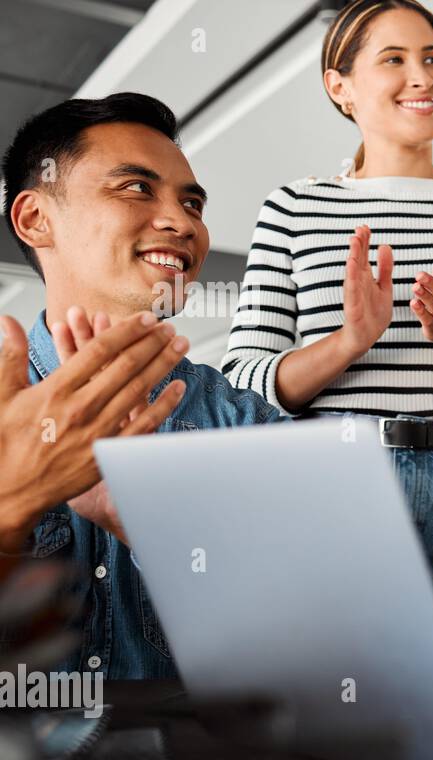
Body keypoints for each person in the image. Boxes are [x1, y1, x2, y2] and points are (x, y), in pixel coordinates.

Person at [221, 0, 433, 628]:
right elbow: (241, 383)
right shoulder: (293, 208)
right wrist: (349, 340)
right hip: (330, 475)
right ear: (340, 87)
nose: (423, 77)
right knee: (333, 689)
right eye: (394, 59)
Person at [1, 92, 283, 678]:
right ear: (35, 219)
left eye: (193, 204)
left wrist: (154, 526)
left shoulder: (249, 427)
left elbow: (318, 654)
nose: (182, 223)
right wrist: (13, 503)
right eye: (135, 188)